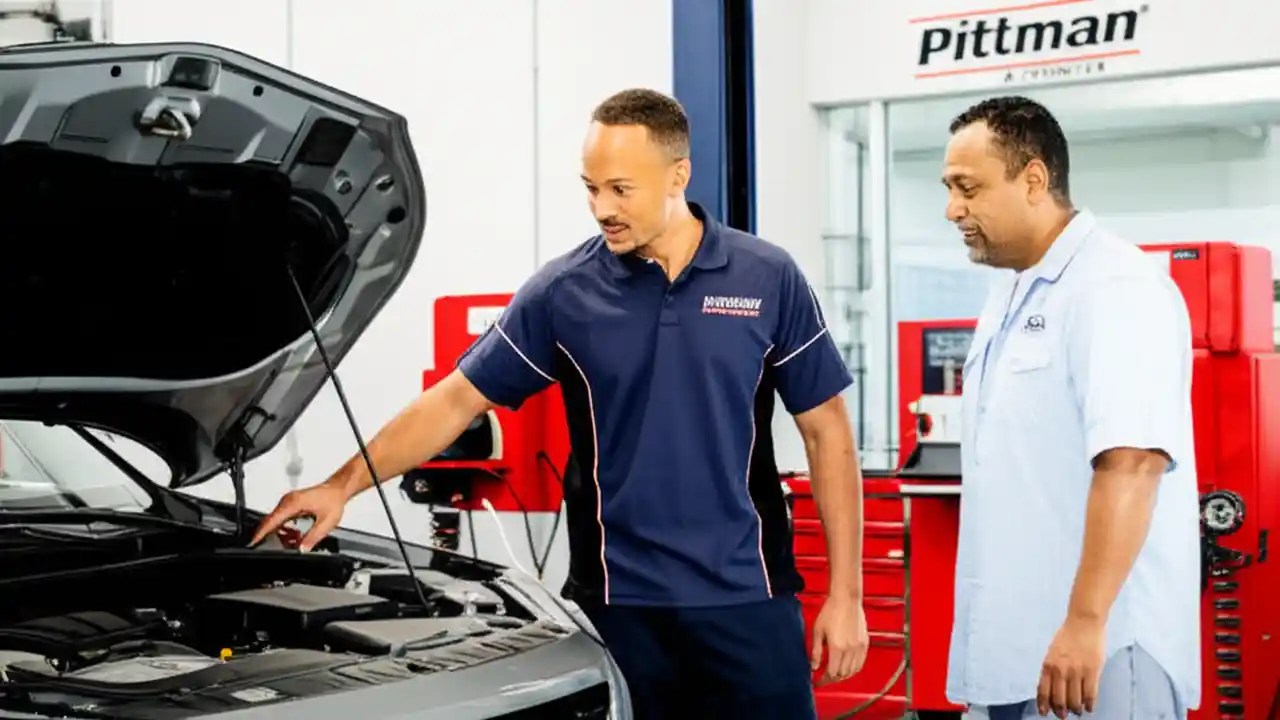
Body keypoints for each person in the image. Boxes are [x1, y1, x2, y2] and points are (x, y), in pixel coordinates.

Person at [251, 88, 869, 719]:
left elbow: (828, 436)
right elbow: (455, 401)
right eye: (591, 188)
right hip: (619, 607)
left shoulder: (766, 277)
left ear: (678, 174)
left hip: (749, 598)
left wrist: (846, 595)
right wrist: (341, 485)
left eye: (621, 189)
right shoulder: (564, 292)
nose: (603, 208)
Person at [939, 95, 1201, 720]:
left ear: (1034, 179)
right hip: (1013, 651)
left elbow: (1132, 461)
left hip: (1098, 653)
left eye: (968, 188)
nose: (953, 210)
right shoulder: (1009, 291)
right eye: (949, 189)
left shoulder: (1114, 287)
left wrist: (1085, 621)